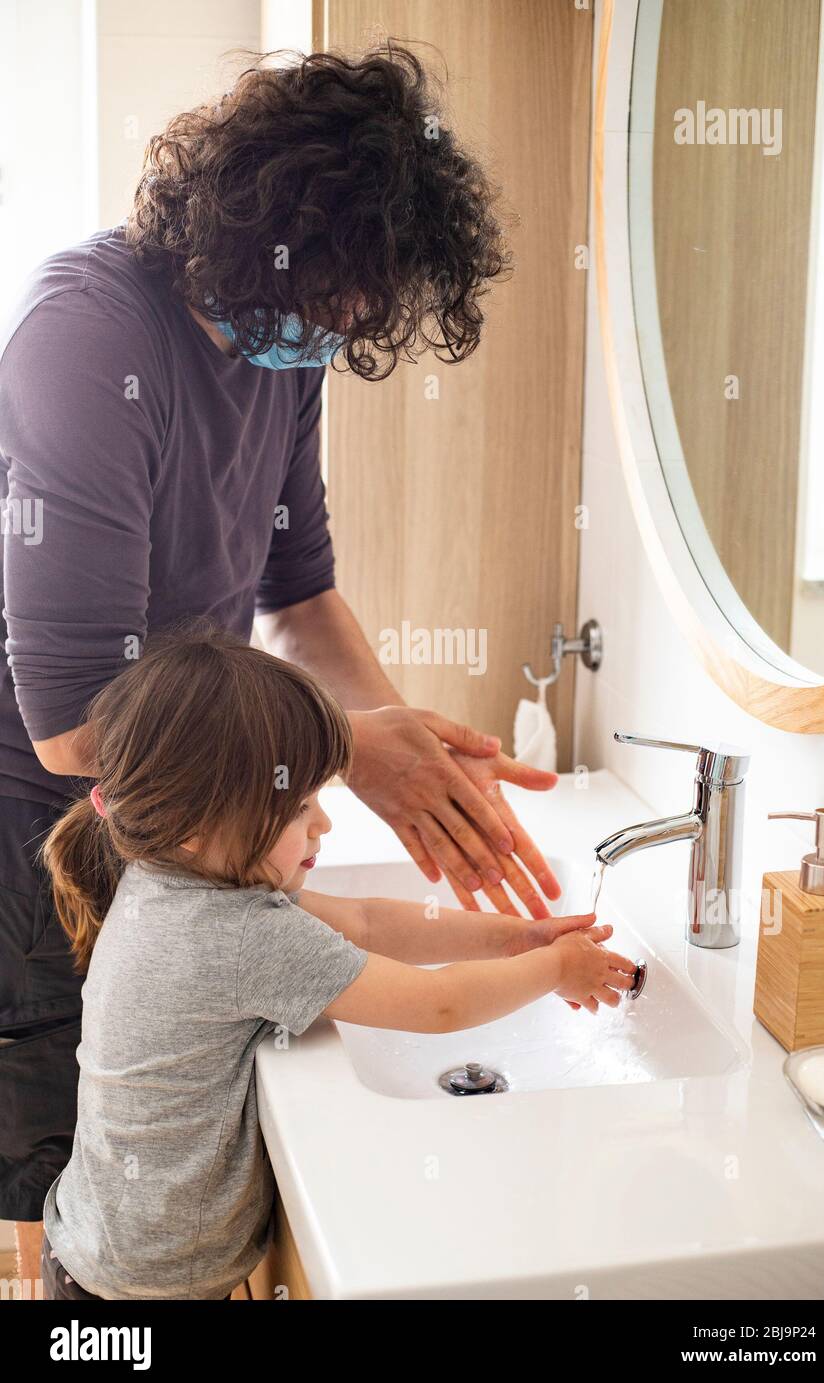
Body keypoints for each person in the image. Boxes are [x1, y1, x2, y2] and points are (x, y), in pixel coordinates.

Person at [0, 41, 564, 1287]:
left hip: (188, 788)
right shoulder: (85, 335)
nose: (340, 334)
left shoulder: (284, 348)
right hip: (44, 802)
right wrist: (338, 745)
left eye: (358, 317)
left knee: (154, 1105)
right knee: (51, 1124)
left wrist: (391, 739)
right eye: (333, 303)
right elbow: (75, 732)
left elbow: (295, 586)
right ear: (255, 228)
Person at [38, 626, 634, 1300]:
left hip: (97, 1245)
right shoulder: (238, 935)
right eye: (297, 807)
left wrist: (517, 940)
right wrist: (556, 972)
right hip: (146, 1288)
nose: (323, 825)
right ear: (195, 826)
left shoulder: (170, 874)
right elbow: (438, 1006)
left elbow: (368, 922)